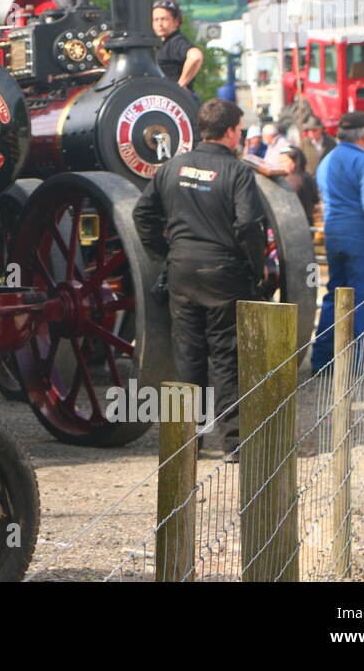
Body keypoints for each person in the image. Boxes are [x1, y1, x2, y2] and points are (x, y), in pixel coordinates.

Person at [133, 98, 268, 458]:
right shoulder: (238, 173)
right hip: (224, 273)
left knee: (187, 356)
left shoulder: (171, 167)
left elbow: (142, 214)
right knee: (225, 356)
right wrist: (256, 267)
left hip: (182, 271)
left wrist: (164, 254)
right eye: (240, 130)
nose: (240, 137)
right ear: (229, 132)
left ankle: (186, 444)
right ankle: (235, 443)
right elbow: (249, 224)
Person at [310, 111, 364, 374]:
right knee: (361, 297)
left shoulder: (328, 160)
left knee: (334, 293)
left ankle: (322, 358)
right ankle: (356, 361)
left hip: (333, 232)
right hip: (357, 234)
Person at [152, 0, 203, 96]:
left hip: (176, 103)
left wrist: (180, 85)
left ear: (176, 21)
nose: (159, 24)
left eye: (164, 19)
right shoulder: (159, 43)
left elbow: (196, 56)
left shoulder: (177, 42)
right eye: (155, 20)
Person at [279, 147, 319, 226]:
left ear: (294, 162)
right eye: (280, 162)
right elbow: (315, 199)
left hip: (295, 225)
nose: (280, 165)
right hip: (308, 222)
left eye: (284, 162)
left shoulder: (292, 181)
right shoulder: (306, 176)